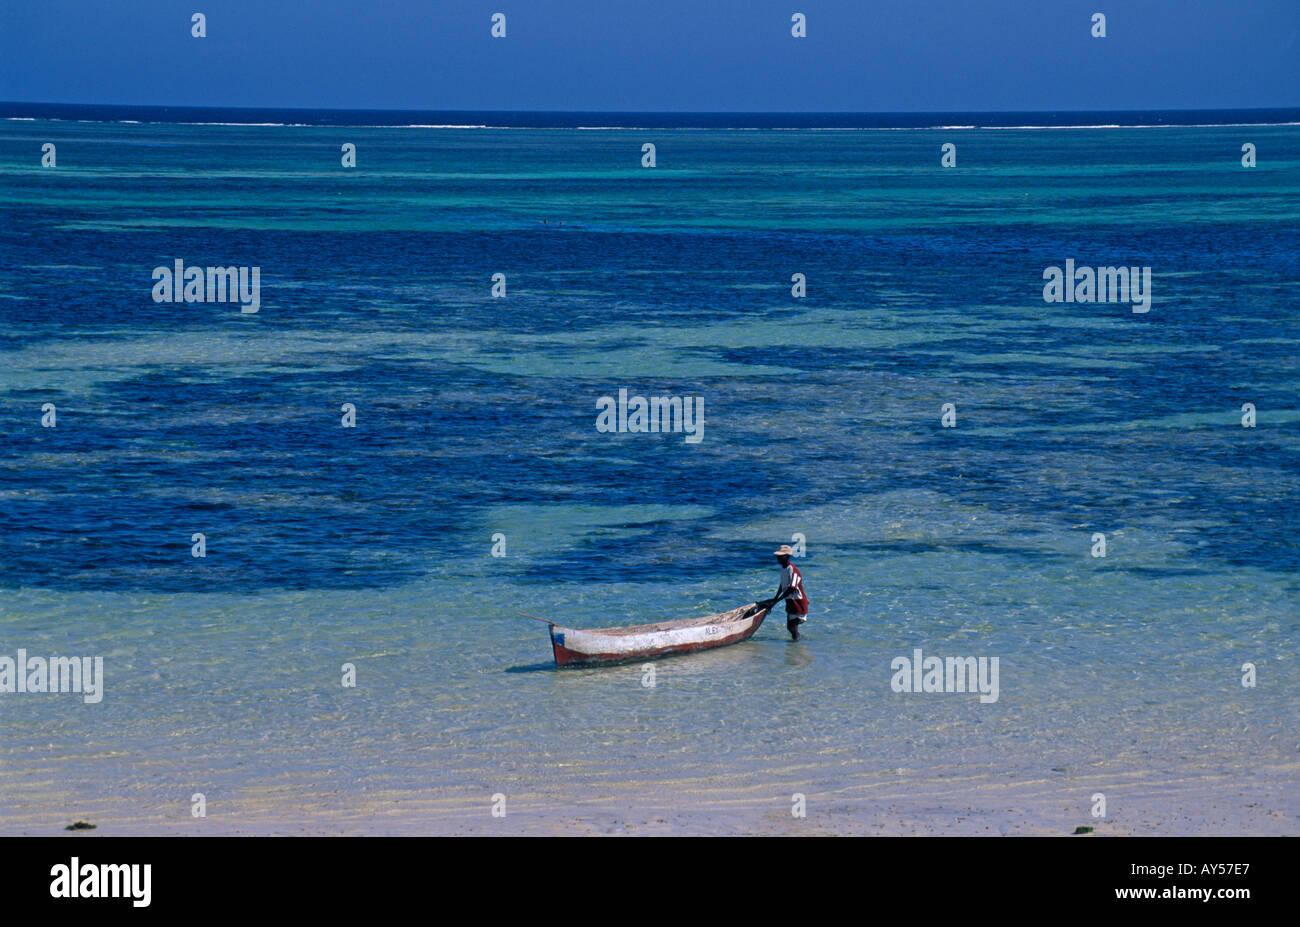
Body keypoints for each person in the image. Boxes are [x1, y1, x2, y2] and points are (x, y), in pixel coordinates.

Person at [763, 544, 809, 640]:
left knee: (793, 626)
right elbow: (783, 585)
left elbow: (791, 588)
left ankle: (795, 649)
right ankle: (797, 644)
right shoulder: (784, 568)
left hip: (798, 602)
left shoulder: (793, 570)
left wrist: (776, 602)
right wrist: (775, 598)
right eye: (778, 556)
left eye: (781, 556)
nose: (778, 558)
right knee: (790, 628)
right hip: (790, 602)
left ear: (787, 557)